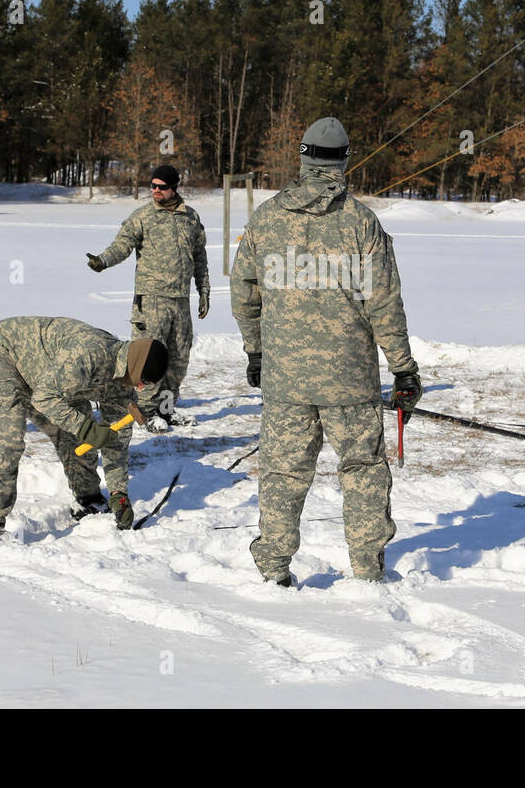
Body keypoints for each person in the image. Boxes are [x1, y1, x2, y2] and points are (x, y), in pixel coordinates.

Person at [230, 116, 421, 586]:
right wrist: (403, 368)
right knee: (361, 472)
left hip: (286, 379)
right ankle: (366, 568)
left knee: (282, 474)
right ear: (344, 161)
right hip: (349, 380)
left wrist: (256, 352)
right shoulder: (361, 223)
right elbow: (385, 303)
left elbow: (243, 292)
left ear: (302, 156)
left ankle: (273, 568)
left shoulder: (266, 218)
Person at [0, 317, 168, 534]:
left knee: (77, 433)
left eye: (147, 385)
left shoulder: (123, 387)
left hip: (48, 377)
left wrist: (118, 494)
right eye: (144, 380)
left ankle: (88, 498)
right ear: (135, 365)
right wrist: (85, 428)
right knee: (6, 437)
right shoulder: (90, 355)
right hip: (0, 353)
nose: (141, 387)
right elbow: (45, 398)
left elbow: (116, 440)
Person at [86, 164, 208, 433]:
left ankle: (165, 410)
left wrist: (204, 290)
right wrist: (103, 260)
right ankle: (145, 412)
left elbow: (199, 257)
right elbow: (122, 245)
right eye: (152, 186)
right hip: (151, 300)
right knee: (149, 359)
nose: (155, 191)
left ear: (174, 188)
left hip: (180, 301)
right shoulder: (142, 217)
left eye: (162, 187)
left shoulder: (190, 218)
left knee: (178, 359)